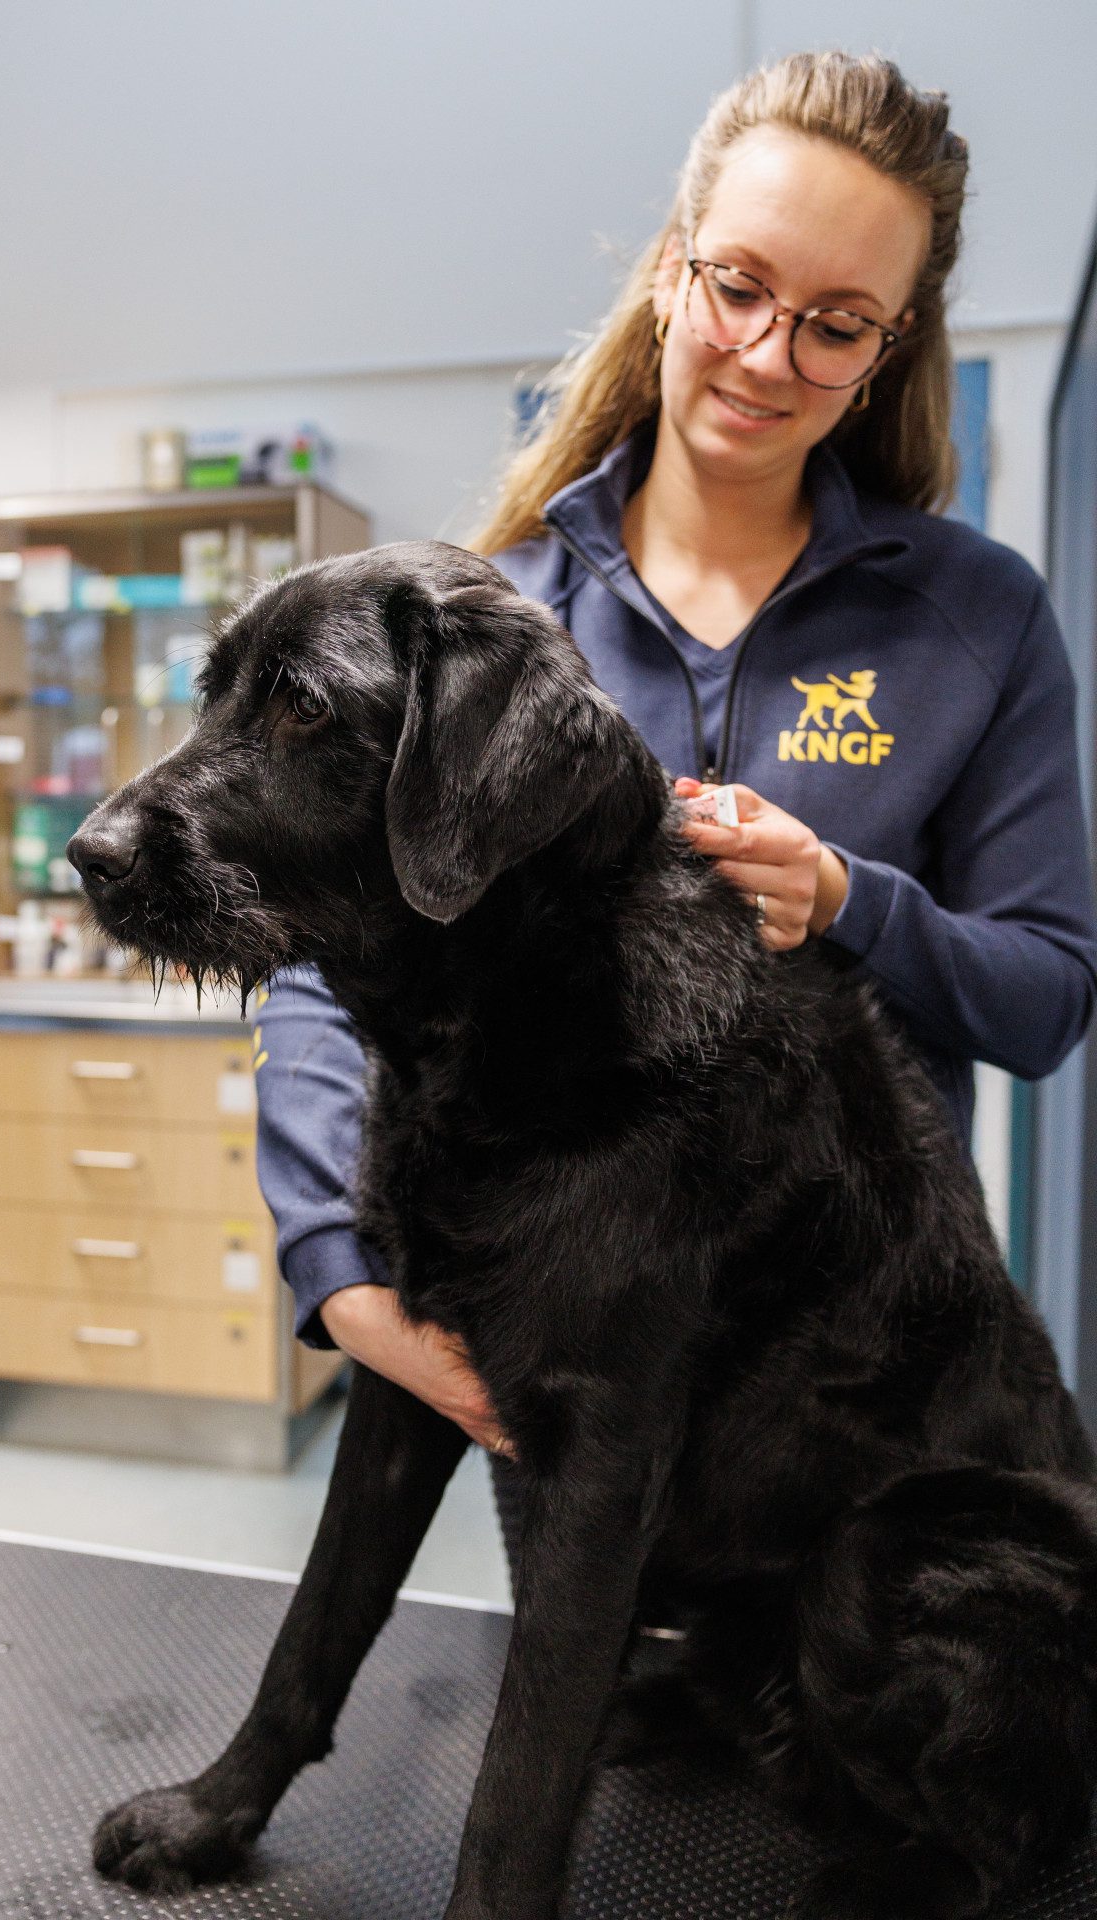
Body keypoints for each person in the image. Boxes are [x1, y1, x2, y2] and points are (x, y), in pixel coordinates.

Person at [251, 50, 1097, 1467]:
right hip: (580, 1397)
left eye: (836, 325)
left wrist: (849, 899)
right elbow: (321, 963)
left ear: (890, 348)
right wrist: (338, 1271)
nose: (769, 355)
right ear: (669, 269)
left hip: (855, 1414)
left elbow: (1047, 1000)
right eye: (741, 286)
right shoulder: (495, 623)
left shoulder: (975, 618)